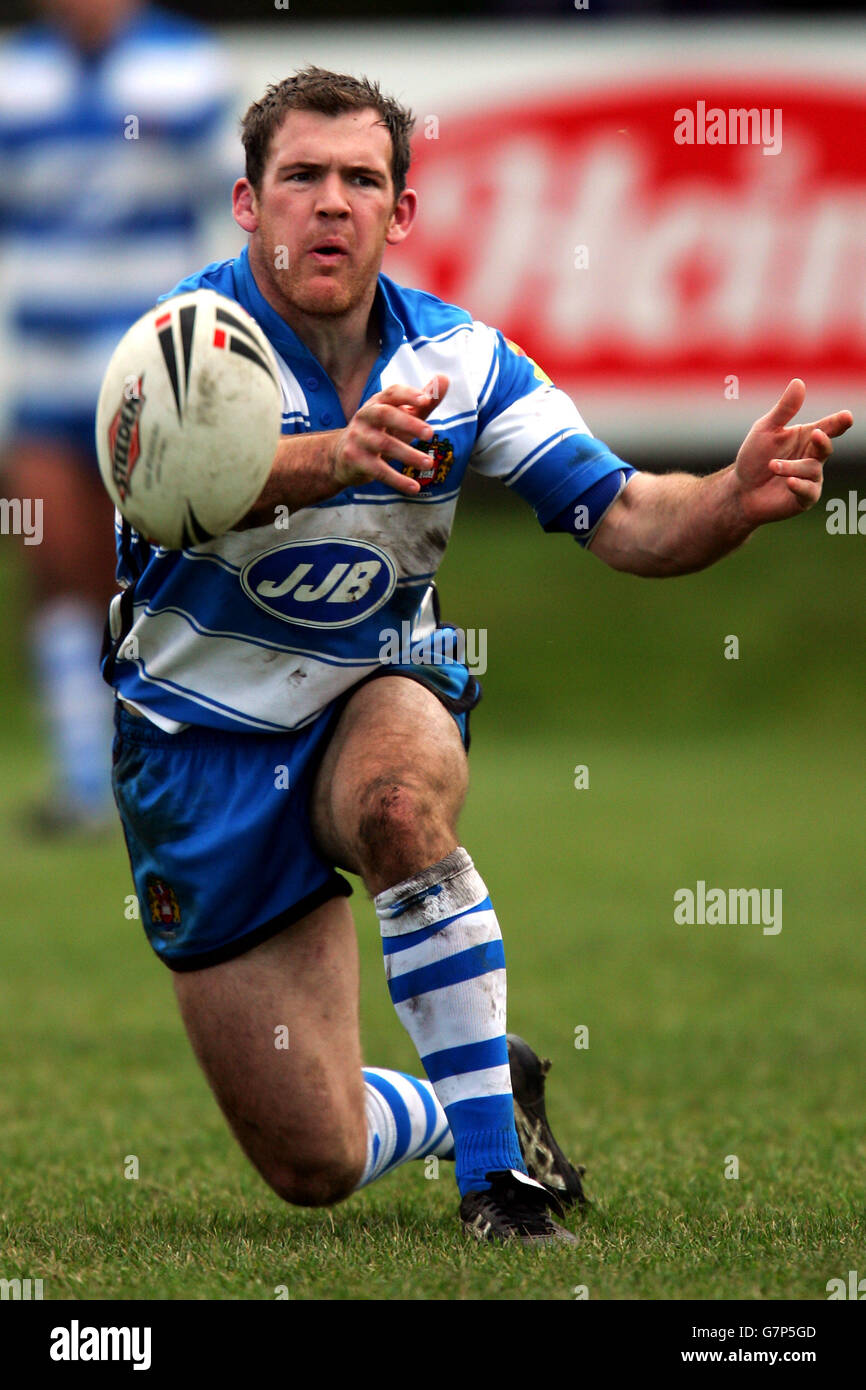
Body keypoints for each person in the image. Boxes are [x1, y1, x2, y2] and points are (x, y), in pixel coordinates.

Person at [102, 67, 852, 1245]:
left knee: (401, 807)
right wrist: (334, 458)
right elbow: (165, 493)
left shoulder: (463, 362)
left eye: (362, 179)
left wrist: (728, 497)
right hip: (198, 748)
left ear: (401, 211)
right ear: (249, 204)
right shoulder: (178, 348)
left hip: (374, 687)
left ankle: (498, 1186)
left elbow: (629, 519)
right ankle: (468, 1096)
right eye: (301, 177)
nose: (331, 204)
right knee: (315, 1160)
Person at [0, 0, 234, 834]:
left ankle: (172, 769)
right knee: (51, 558)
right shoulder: (14, 75)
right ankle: (81, 782)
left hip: (156, 379)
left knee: (150, 577)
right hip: (44, 370)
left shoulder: (190, 66)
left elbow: (238, 205)